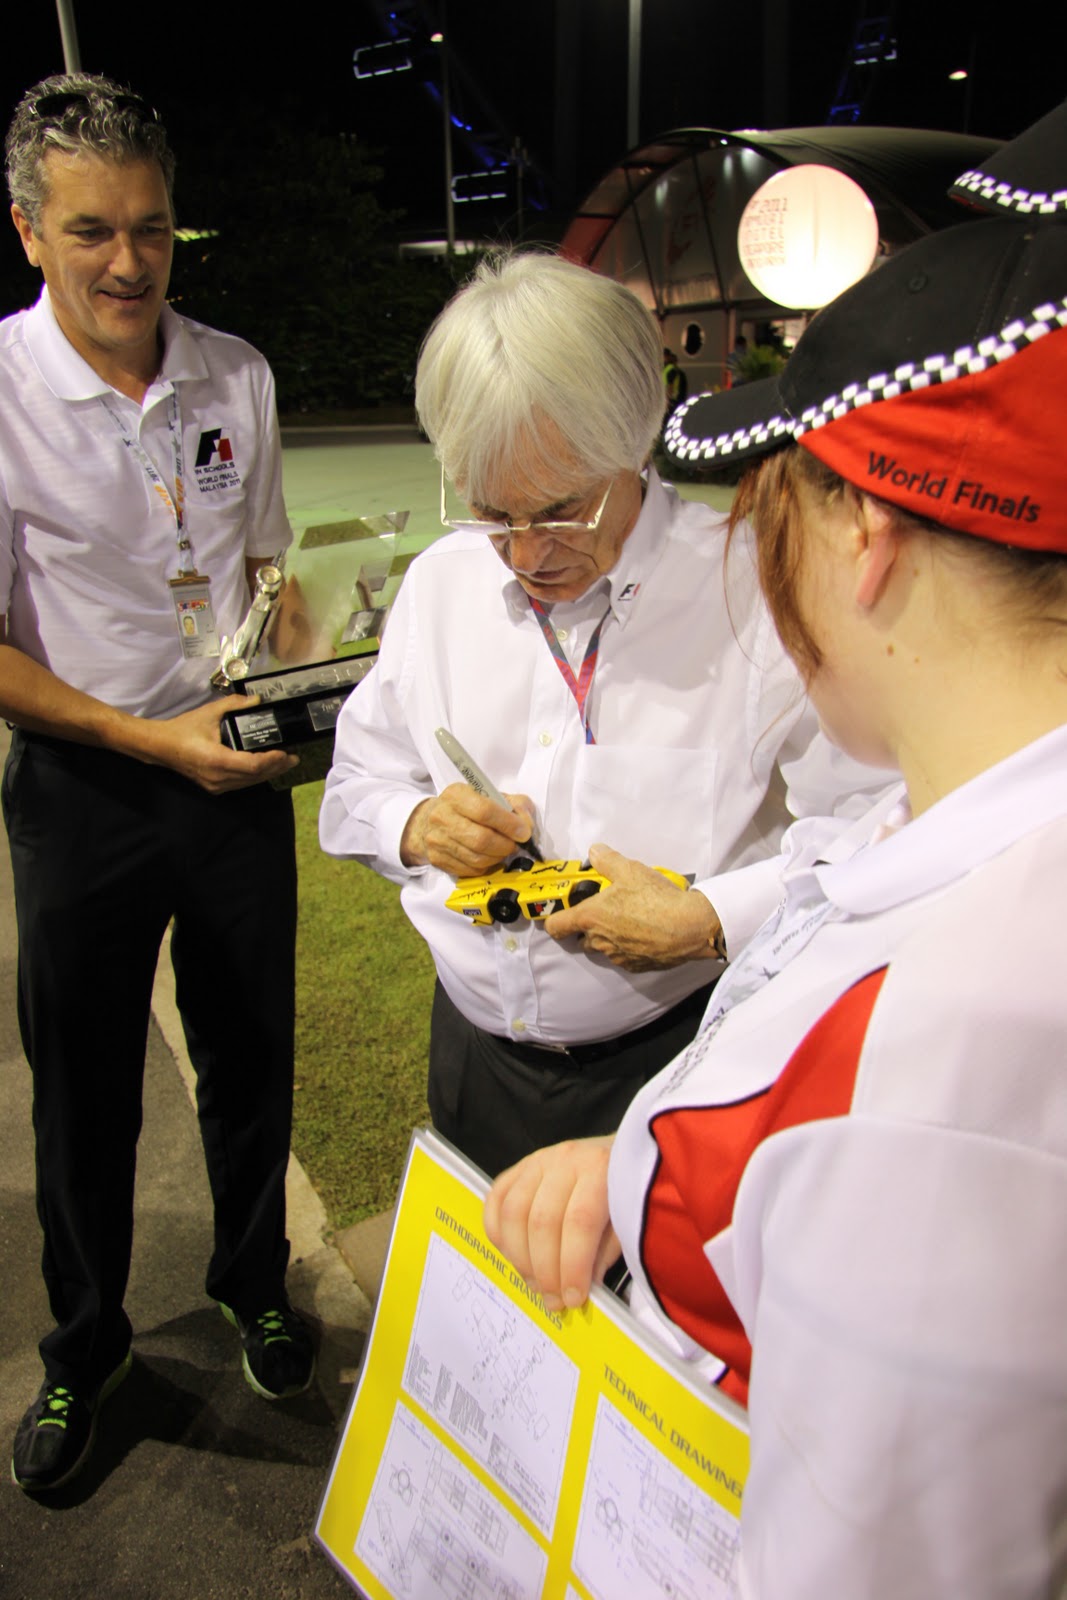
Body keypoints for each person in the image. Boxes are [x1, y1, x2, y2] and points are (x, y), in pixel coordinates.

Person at [484, 106, 1067, 1598]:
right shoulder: (951, 821)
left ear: (864, 534)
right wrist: (633, 1168)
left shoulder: (943, 1058)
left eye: (770, 505)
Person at [320, 251, 890, 1179]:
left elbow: (877, 821)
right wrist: (415, 824)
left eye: (560, 509)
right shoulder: (440, 585)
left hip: (680, 1056)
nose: (524, 554)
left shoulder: (754, 590)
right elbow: (355, 783)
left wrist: (710, 919)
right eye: (490, 513)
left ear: (636, 441)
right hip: (472, 1055)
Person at [2, 73, 314, 1495]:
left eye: (150, 226)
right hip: (87, 788)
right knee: (83, 1093)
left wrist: (299, 675)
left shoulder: (235, 372)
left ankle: (255, 1283)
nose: (128, 261)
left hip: (233, 775)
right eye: (90, 231)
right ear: (28, 231)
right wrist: (151, 740)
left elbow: (265, 574)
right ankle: (86, 1345)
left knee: (250, 1057)